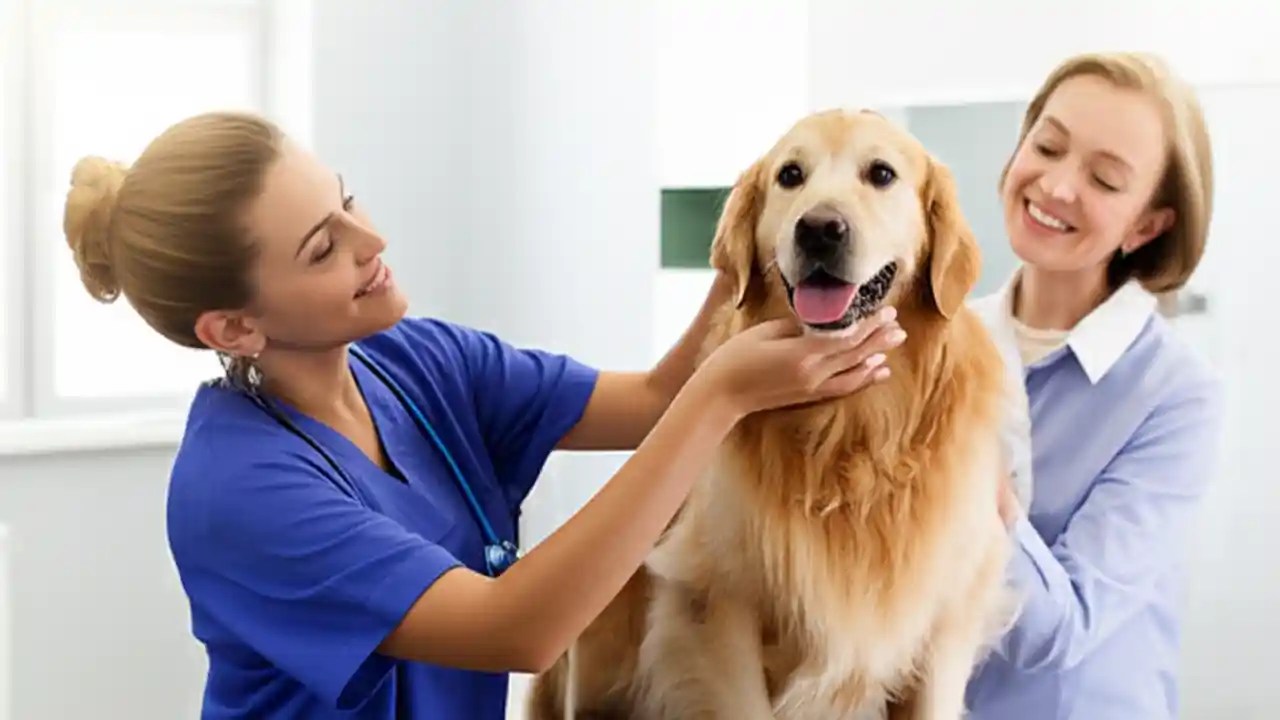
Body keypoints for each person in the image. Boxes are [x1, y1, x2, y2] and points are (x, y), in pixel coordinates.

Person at [60, 111, 905, 719]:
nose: (372, 239)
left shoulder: (415, 361)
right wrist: (723, 393)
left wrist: (757, 238)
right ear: (236, 328)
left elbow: (652, 401)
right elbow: (517, 630)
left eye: (348, 199)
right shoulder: (238, 493)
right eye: (324, 246)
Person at [964, 52, 1223, 719]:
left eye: (1105, 179)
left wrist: (961, 463)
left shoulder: (1174, 395)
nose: (1055, 186)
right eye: (1046, 146)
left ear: (1147, 225)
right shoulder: (944, 341)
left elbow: (1059, 628)